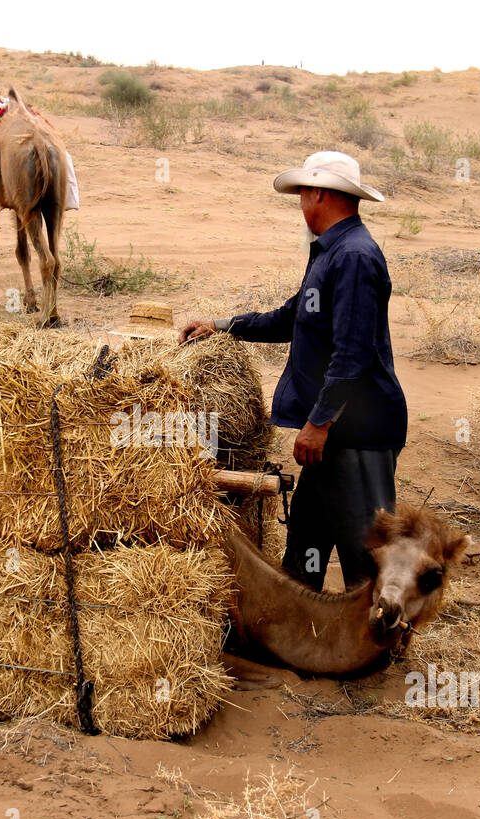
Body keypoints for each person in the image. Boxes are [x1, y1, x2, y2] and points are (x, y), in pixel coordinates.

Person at [180, 151, 407, 591]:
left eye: (303, 192)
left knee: (365, 551)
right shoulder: (331, 252)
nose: (301, 202)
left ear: (318, 192)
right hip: (334, 434)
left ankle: (374, 647)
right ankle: (303, 634)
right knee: (307, 537)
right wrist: (224, 326)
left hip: (357, 432)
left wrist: (319, 422)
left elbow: (353, 353)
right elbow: (292, 318)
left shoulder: (355, 257)